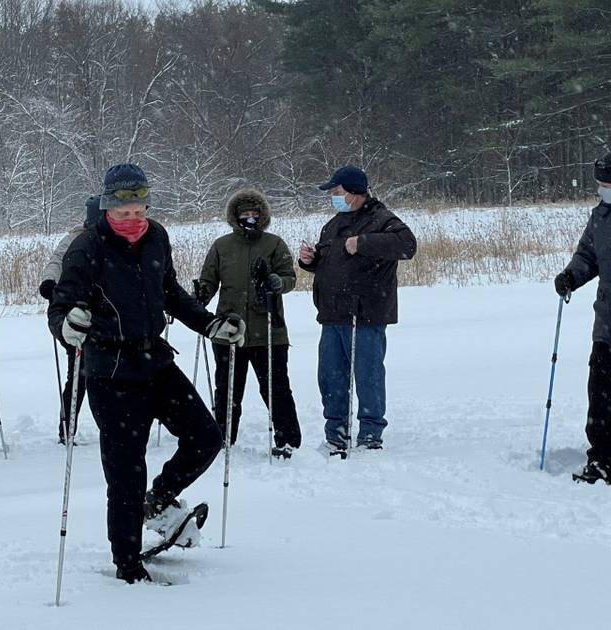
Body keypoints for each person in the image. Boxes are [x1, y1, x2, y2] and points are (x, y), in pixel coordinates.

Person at [48, 163, 244, 584]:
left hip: (155, 361)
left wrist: (209, 324)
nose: (133, 220)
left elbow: (169, 293)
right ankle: (128, 562)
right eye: (123, 213)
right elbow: (61, 306)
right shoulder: (87, 248)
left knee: (206, 436)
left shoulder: (157, 237)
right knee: (125, 472)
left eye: (139, 211)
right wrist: (67, 325)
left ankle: (158, 499)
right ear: (107, 209)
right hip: (110, 371)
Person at [298, 165, 417, 453]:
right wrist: (310, 260)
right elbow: (331, 262)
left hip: (365, 315)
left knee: (368, 376)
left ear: (353, 193)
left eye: (337, 192)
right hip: (332, 314)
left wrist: (362, 243)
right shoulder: (333, 224)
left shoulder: (382, 219)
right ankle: (336, 431)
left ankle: (370, 434)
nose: (334, 197)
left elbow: (407, 245)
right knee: (330, 377)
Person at [197, 188, 301, 458]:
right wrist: (199, 297)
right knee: (228, 389)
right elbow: (209, 280)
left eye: (255, 213)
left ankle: (288, 438)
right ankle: (221, 438)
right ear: (235, 216)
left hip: (269, 330)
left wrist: (278, 282)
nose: (250, 217)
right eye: (244, 213)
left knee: (276, 388)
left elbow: (289, 277)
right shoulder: (222, 246)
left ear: (262, 216)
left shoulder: (274, 243)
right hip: (229, 331)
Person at [555, 153, 611, 484]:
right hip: (606, 324)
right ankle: (603, 459)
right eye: (601, 185)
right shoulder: (600, 218)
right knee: (601, 395)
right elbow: (587, 256)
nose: (604, 190)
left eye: (609, 185)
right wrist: (570, 276)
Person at [39, 195, 102, 444]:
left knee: (90, 377)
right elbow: (56, 260)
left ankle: (114, 427)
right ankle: (66, 430)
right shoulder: (76, 237)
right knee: (78, 376)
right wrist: (49, 283)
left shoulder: (113, 239)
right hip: (76, 315)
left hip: (104, 316)